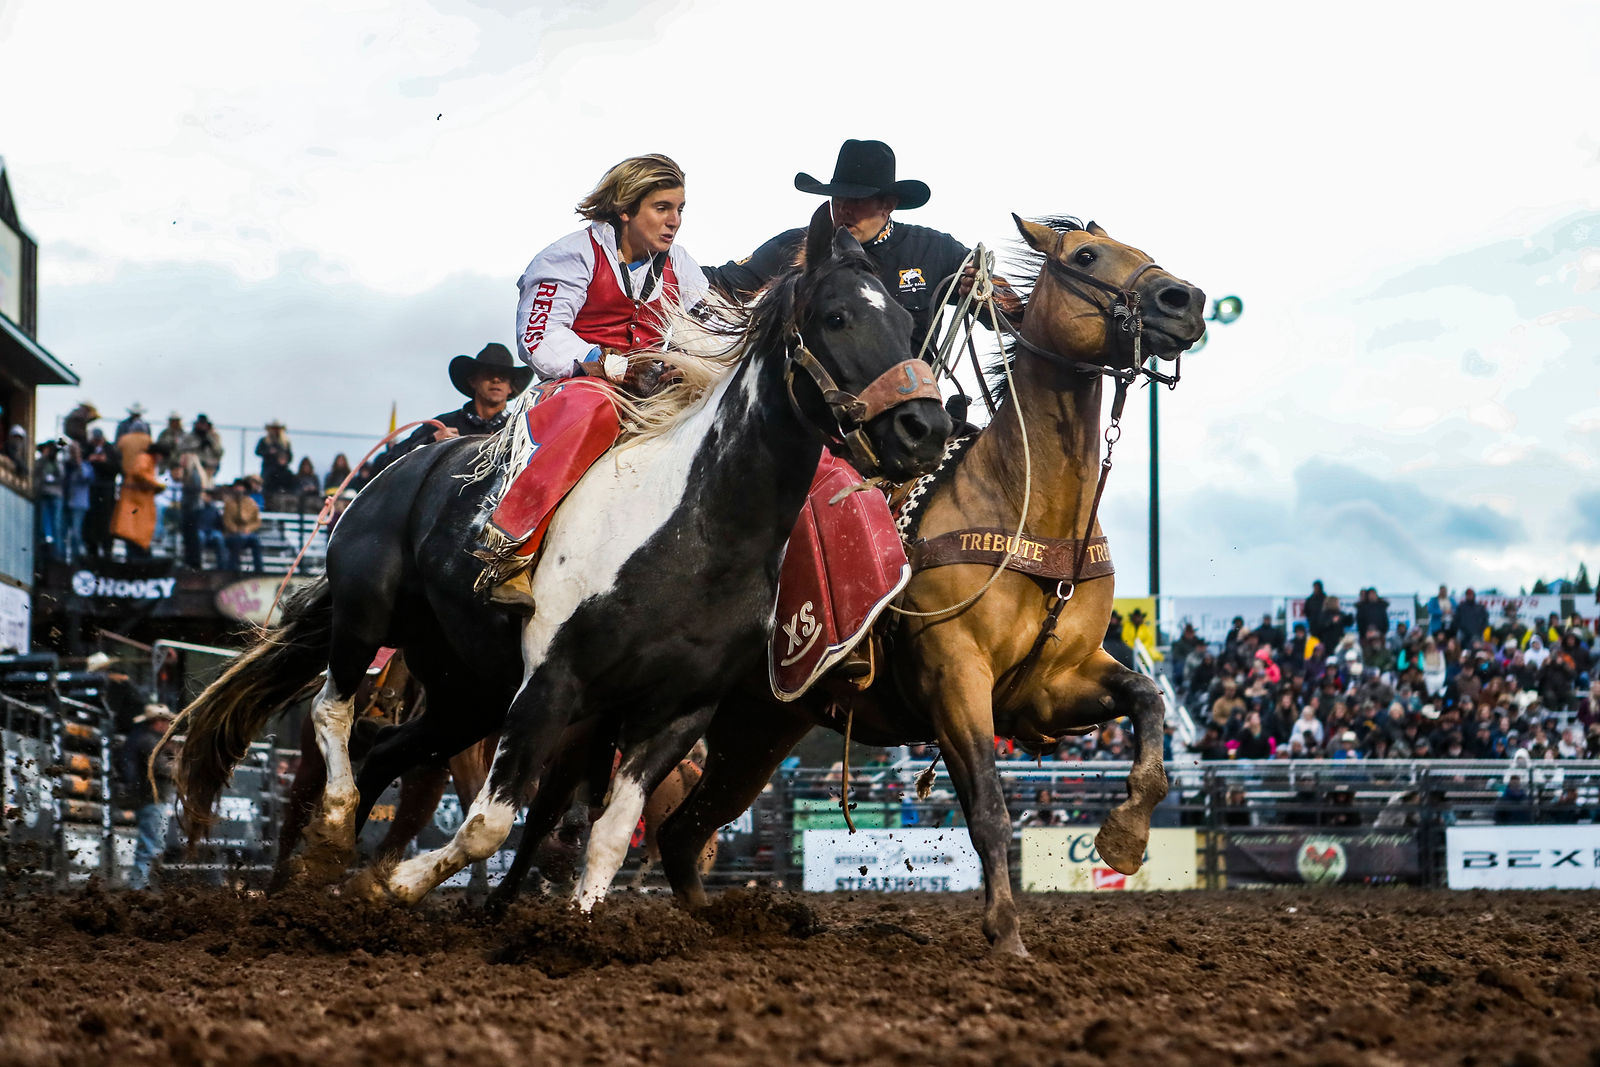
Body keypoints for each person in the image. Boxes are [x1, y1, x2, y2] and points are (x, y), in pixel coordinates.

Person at [487, 153, 712, 608]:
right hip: (577, 389)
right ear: (626, 209)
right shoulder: (570, 255)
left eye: (680, 209)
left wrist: (684, 365)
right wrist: (611, 366)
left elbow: (706, 331)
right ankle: (509, 545)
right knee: (597, 407)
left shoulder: (682, 266)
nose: (675, 222)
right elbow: (540, 338)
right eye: (663, 208)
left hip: (654, 397)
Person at [705, 139, 1020, 358]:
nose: (844, 209)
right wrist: (660, 257)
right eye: (838, 198)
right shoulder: (795, 247)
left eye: (857, 200)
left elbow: (1014, 317)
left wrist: (988, 293)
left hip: (912, 416)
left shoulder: (933, 250)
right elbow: (722, 284)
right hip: (819, 413)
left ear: (888, 205)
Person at [372, 343, 533, 474]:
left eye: (504, 376)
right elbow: (387, 464)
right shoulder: (442, 424)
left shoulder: (521, 430)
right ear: (473, 381)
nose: (496, 379)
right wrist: (431, 443)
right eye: (489, 374)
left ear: (511, 387)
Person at [116, 702, 176, 890]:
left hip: (150, 799)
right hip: (151, 799)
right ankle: (138, 886)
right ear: (158, 722)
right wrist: (178, 766)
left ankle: (141, 883)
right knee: (150, 844)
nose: (168, 726)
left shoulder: (145, 740)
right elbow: (161, 768)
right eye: (166, 722)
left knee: (152, 843)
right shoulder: (151, 742)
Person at [111, 439, 169, 559]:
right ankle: (136, 562)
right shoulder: (144, 458)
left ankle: (137, 560)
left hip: (139, 504)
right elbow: (139, 472)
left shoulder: (148, 461)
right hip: (135, 503)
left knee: (135, 537)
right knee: (133, 537)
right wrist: (156, 485)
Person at [82, 427, 120, 560]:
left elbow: (116, 468)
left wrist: (104, 462)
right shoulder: (88, 448)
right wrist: (91, 459)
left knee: (106, 522)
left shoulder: (110, 450)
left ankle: (107, 549)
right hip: (91, 491)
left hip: (107, 491)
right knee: (91, 521)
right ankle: (92, 549)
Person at [32, 439, 65, 561]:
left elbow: (62, 476)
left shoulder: (58, 462)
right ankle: (47, 546)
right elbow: (37, 474)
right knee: (45, 523)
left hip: (56, 494)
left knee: (56, 523)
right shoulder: (41, 462)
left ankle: (57, 553)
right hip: (44, 493)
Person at [222, 478, 264, 572]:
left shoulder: (251, 503)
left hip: (247, 533)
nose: (239, 489)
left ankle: (259, 569)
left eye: (241, 487)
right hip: (233, 534)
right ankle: (232, 568)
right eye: (237, 487)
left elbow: (257, 521)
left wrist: (248, 529)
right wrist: (236, 530)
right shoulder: (229, 503)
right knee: (238, 540)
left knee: (256, 541)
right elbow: (227, 521)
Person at [255, 419, 296, 498]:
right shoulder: (264, 441)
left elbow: (290, 456)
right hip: (268, 469)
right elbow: (258, 452)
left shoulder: (285, 442)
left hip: (282, 471)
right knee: (267, 488)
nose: (275, 431)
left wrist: (283, 458)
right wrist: (268, 452)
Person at [181, 413, 225, 483]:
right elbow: (183, 450)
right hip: (194, 467)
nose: (202, 426)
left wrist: (211, 444)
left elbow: (219, 452)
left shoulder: (213, 437)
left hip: (209, 467)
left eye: (204, 424)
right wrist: (198, 446)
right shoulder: (189, 437)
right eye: (200, 424)